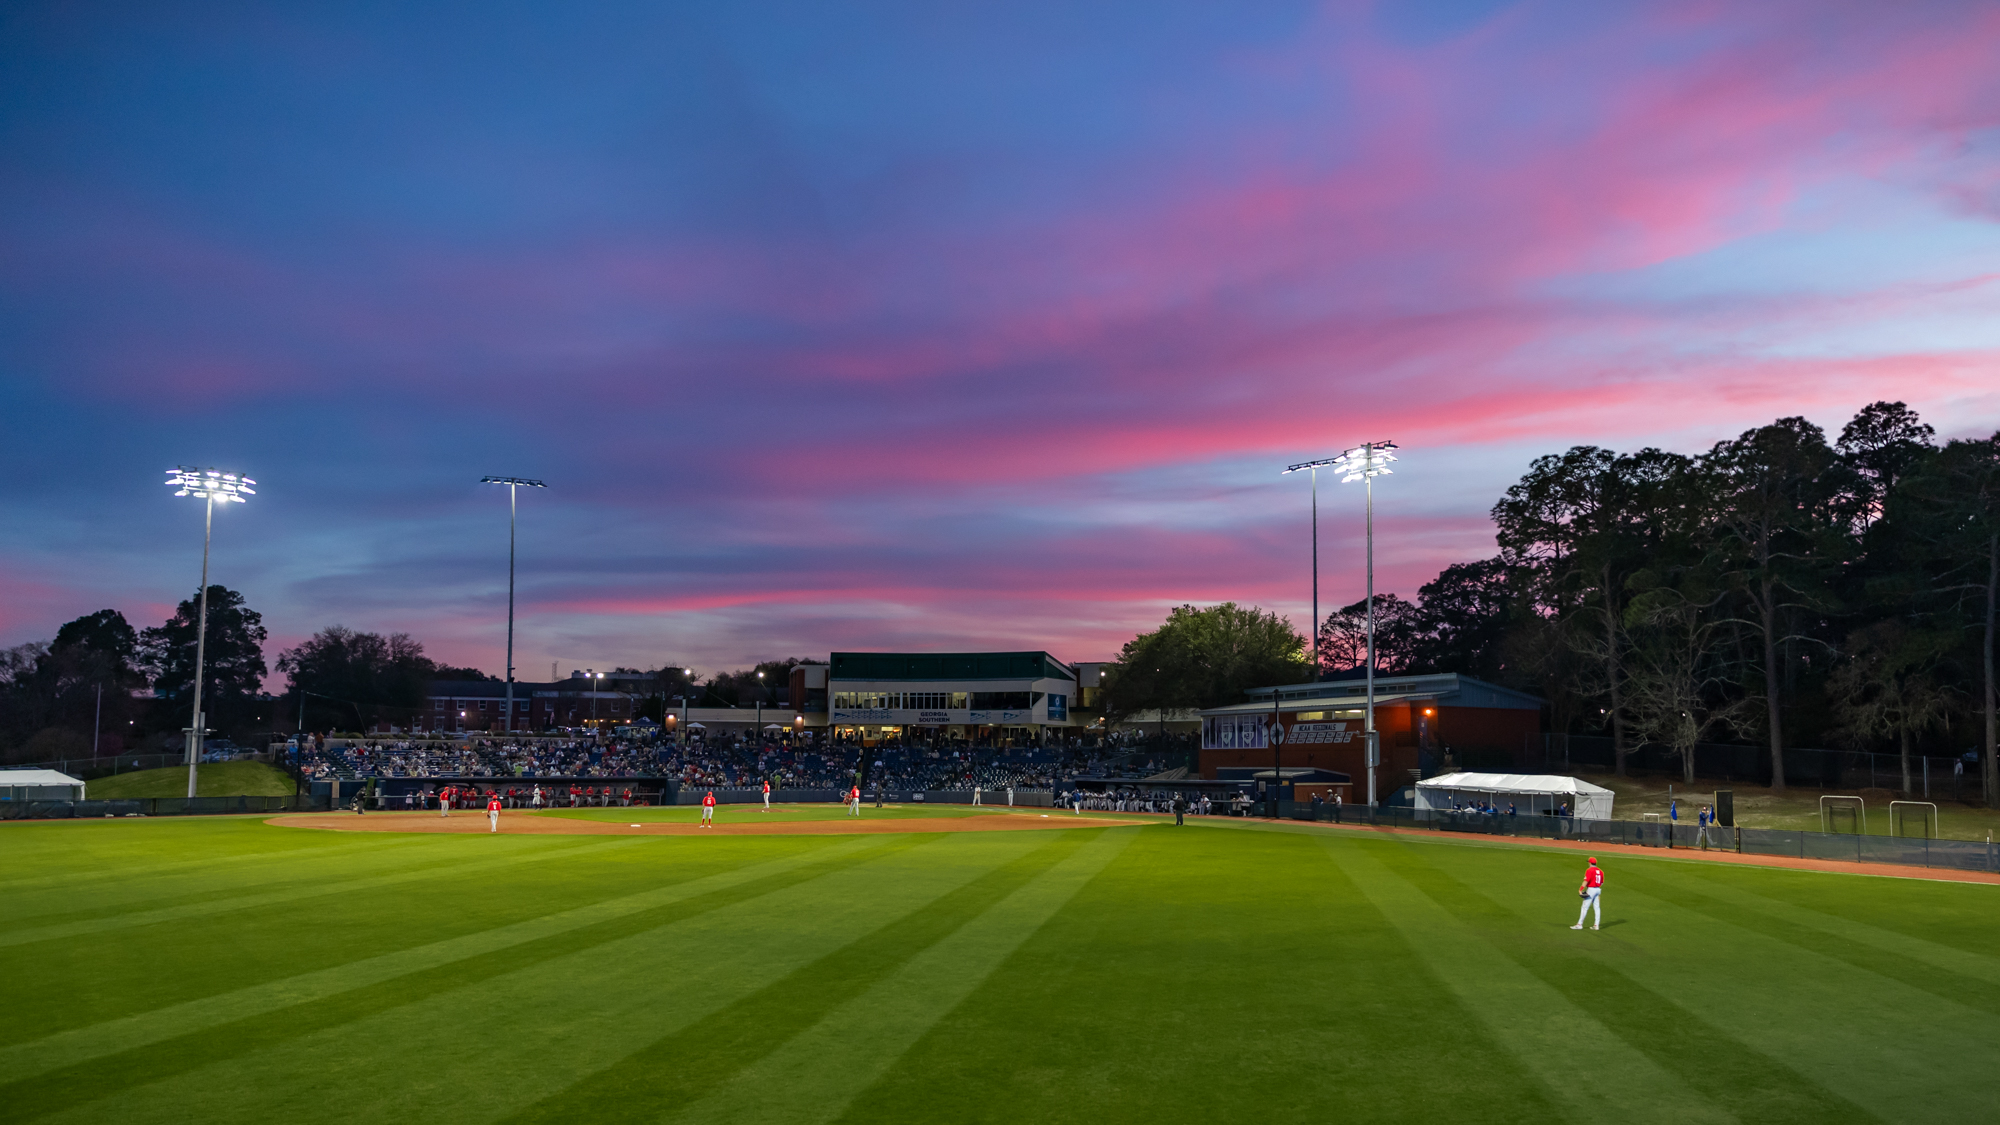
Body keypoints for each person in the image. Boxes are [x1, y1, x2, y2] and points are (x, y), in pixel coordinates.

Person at [1572, 857, 1604, 931]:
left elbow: (1586, 880)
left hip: (1591, 890)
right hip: (1598, 889)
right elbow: (1601, 882)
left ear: (1590, 863)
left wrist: (1580, 889)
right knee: (1597, 907)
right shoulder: (1600, 871)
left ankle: (1579, 924)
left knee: (1584, 907)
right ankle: (1596, 925)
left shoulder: (1589, 870)